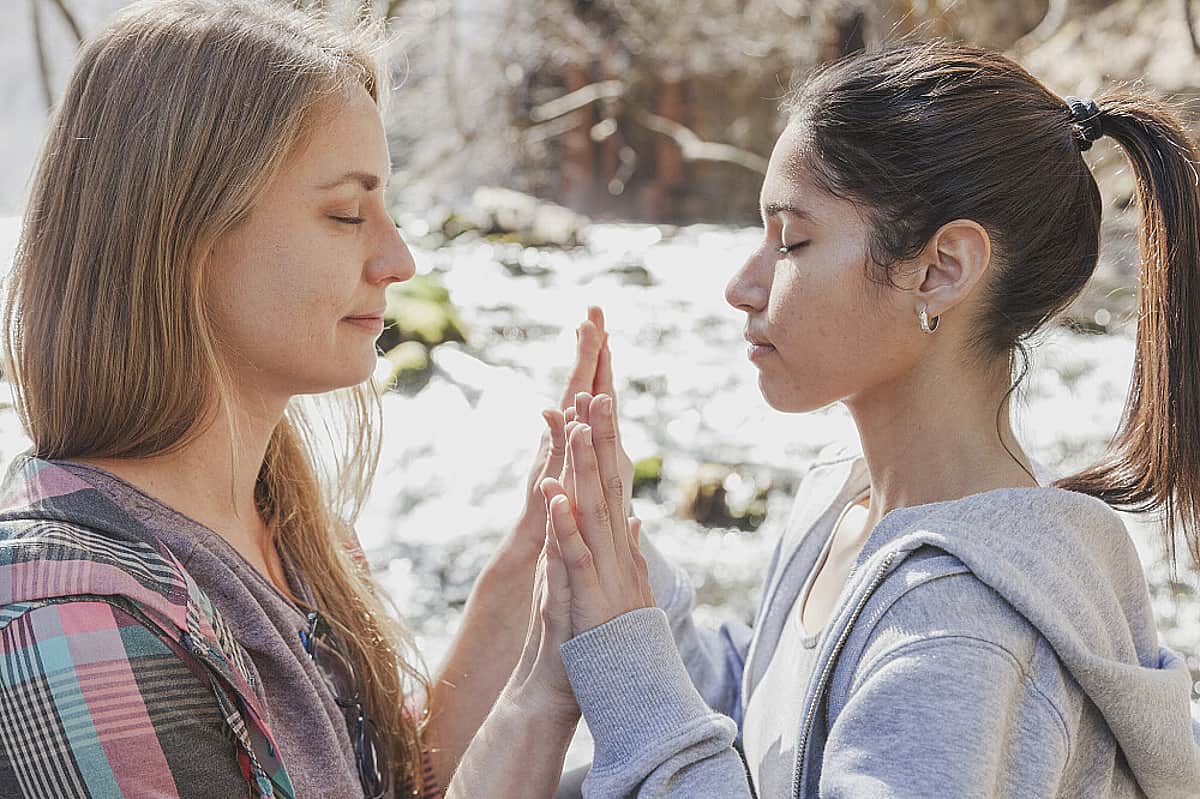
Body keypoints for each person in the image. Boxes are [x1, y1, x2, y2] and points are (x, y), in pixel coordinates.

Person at [460, 40, 1200, 797]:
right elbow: (770, 730)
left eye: (793, 242)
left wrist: (626, 656)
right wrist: (619, 573)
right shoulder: (840, 502)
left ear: (941, 269)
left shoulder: (959, 625)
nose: (741, 286)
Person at [0, 1, 628, 797]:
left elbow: (401, 783)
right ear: (184, 232)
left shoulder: (289, 527)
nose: (398, 259)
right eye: (345, 213)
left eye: (387, 210)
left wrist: (533, 563)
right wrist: (541, 698)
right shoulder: (75, 621)